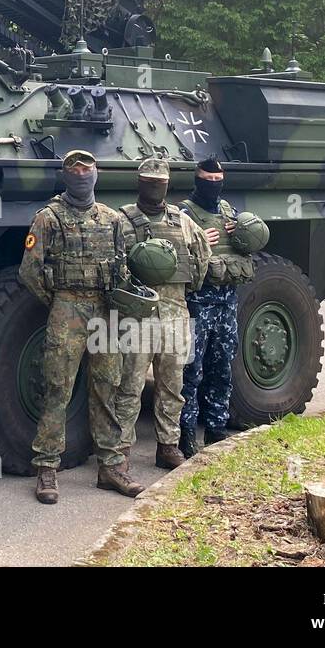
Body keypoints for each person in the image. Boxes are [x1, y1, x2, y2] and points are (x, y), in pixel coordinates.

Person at [18, 149, 139, 502]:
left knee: (107, 386)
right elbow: (29, 271)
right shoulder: (49, 218)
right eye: (75, 168)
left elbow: (122, 267)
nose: (82, 174)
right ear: (66, 175)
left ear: (97, 174)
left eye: (88, 168)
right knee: (58, 388)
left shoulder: (112, 219)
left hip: (104, 309)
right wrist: (58, 302)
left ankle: (111, 468)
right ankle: (47, 469)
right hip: (68, 308)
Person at [114, 157, 211, 471]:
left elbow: (201, 254)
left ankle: (167, 445)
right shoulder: (123, 220)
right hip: (137, 315)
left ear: (167, 185)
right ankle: (121, 448)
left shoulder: (182, 221)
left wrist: (189, 286)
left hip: (174, 314)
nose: (154, 187)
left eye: (159, 182)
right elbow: (111, 263)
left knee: (172, 384)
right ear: (139, 183)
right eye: (148, 181)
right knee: (129, 384)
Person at [178, 158, 253, 457]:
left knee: (221, 366)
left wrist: (244, 232)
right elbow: (170, 254)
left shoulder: (228, 211)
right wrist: (197, 242)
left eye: (218, 178)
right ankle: (186, 433)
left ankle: (216, 428)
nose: (213, 183)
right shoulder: (184, 213)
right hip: (197, 301)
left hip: (226, 300)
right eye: (208, 178)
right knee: (191, 370)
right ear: (197, 180)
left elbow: (247, 245)